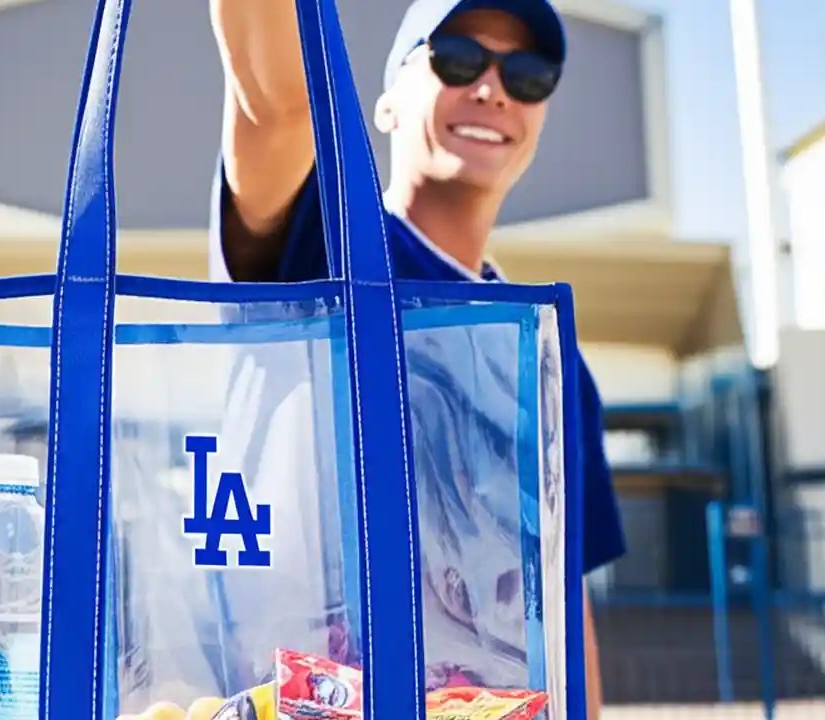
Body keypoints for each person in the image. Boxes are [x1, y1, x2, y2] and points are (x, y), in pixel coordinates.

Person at [122, 0, 625, 718]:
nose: (492, 89)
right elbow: (272, 100)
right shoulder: (322, 240)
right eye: (457, 59)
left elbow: (564, 600)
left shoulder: (544, 350)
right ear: (386, 105)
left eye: (528, 74)